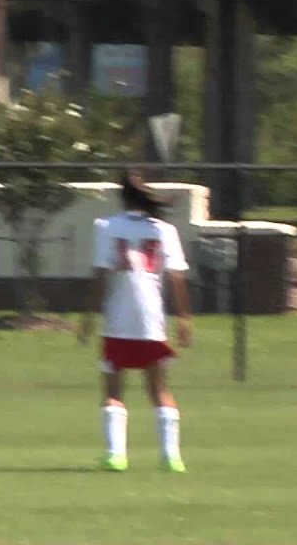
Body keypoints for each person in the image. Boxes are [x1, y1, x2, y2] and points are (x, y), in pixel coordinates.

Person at [79, 172, 193, 473]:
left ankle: (116, 456)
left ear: (122, 197)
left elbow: (100, 276)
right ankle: (172, 457)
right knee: (159, 389)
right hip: (151, 322)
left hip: (118, 320)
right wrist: (184, 318)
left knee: (113, 390)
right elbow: (178, 278)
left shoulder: (107, 227)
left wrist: (88, 316)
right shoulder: (164, 230)